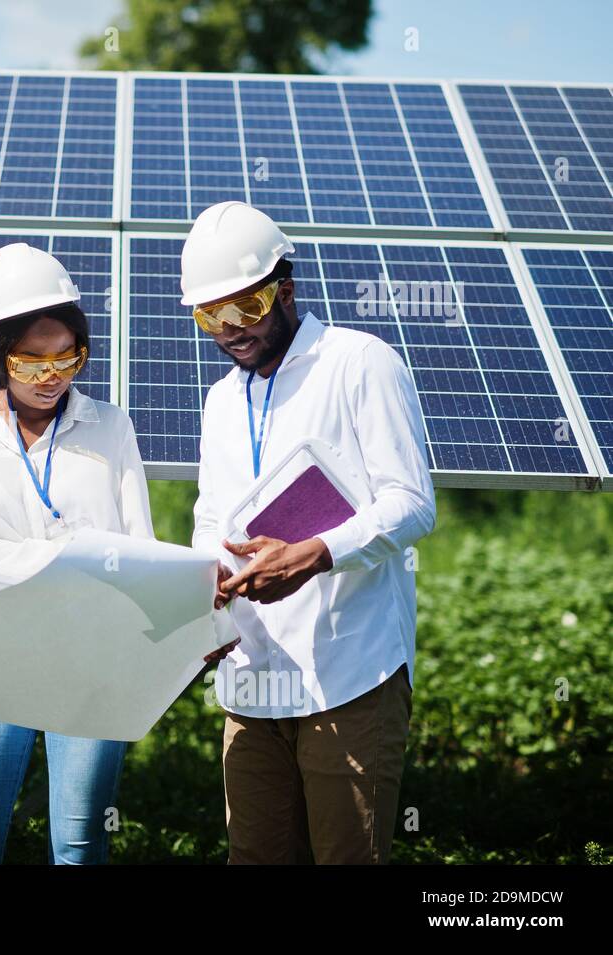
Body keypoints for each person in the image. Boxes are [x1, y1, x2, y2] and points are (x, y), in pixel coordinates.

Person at [184, 200, 436, 864]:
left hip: (349, 674)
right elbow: (212, 516)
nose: (231, 329)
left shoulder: (360, 363)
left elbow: (411, 503)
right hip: (252, 678)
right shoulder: (219, 401)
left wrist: (316, 553)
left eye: (246, 307)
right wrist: (205, 573)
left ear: (285, 289)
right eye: (212, 316)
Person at [0, 242, 154, 864]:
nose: (52, 376)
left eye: (68, 358)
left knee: (79, 849)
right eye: (32, 362)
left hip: (91, 659)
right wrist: (54, 562)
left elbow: (136, 544)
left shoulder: (111, 425)